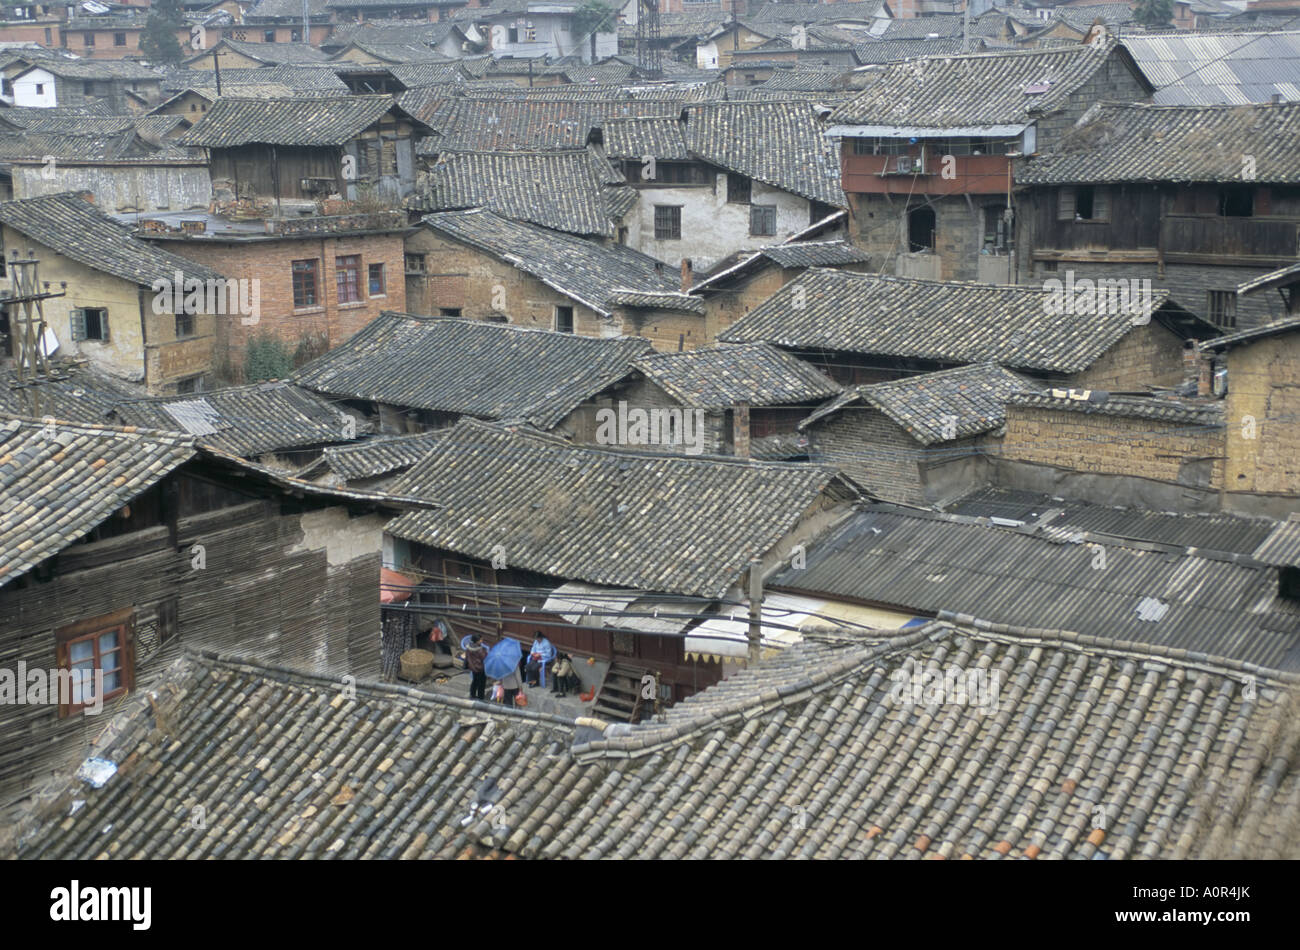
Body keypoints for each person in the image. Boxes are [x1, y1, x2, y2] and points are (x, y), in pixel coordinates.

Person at [465, 634, 488, 701]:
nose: (482, 641)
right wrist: (486, 652)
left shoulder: (468, 647)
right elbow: (484, 658)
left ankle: (472, 695)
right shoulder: (480, 650)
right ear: (477, 641)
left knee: (474, 681)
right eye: (481, 640)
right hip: (480, 668)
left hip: (473, 667)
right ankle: (481, 697)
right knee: (481, 684)